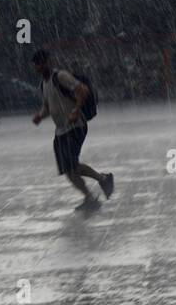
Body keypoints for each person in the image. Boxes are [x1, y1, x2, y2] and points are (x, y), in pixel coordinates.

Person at [31, 49, 114, 210]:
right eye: (37, 65)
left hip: (76, 127)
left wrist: (76, 110)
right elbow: (48, 107)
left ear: (48, 62)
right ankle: (90, 197)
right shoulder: (43, 84)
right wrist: (40, 116)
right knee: (67, 170)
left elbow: (83, 90)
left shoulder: (60, 76)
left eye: (42, 63)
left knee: (72, 165)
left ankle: (102, 179)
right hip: (61, 131)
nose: (40, 67)